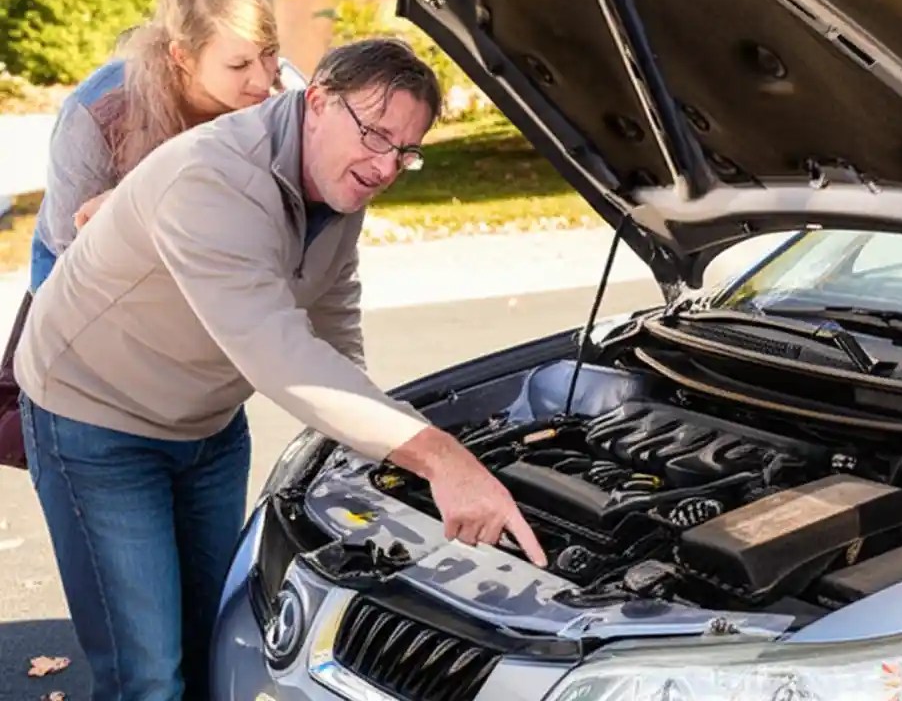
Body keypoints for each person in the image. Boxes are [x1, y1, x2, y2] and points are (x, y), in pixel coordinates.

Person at [14, 37, 546, 700]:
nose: (385, 167)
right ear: (317, 99)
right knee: (147, 674)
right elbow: (276, 350)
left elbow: (333, 321)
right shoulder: (211, 177)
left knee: (212, 639)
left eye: (404, 152)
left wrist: (375, 444)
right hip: (94, 421)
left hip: (206, 424)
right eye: (375, 136)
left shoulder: (336, 180)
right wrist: (438, 457)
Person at [28, 0, 281, 291]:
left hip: (211, 280)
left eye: (269, 53)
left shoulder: (281, 96)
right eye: (238, 65)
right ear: (183, 57)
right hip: (84, 288)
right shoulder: (96, 113)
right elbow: (70, 243)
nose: (263, 77)